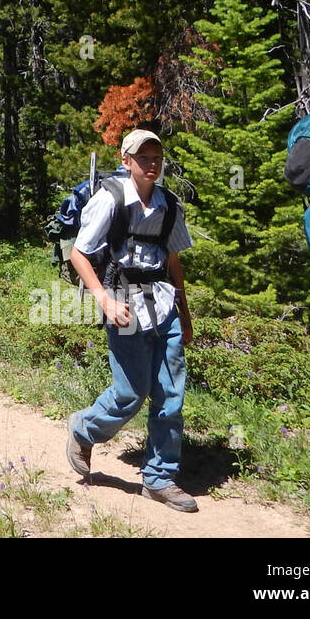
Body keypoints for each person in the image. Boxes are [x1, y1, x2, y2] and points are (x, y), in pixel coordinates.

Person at [65, 129, 196, 513]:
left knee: (171, 395)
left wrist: (186, 316)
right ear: (126, 161)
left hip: (164, 305)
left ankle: (159, 478)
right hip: (122, 303)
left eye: (156, 157)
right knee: (131, 393)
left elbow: (173, 261)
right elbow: (79, 254)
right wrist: (104, 299)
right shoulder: (110, 199)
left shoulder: (170, 205)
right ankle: (83, 429)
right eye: (143, 157)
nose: (151, 164)